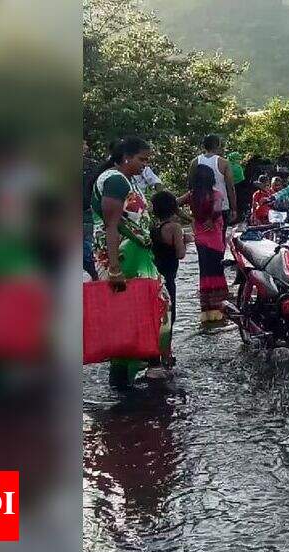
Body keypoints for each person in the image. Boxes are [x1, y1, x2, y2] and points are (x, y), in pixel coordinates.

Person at [89, 136, 172, 387]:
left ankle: (142, 366)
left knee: (143, 309)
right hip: (123, 256)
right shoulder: (114, 180)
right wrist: (114, 269)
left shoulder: (123, 180)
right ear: (126, 157)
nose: (144, 166)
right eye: (141, 160)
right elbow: (111, 226)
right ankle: (129, 373)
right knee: (136, 310)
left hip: (135, 254)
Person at [178, 165, 229, 323]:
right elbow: (217, 211)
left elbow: (174, 204)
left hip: (200, 238)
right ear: (211, 179)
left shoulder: (192, 195)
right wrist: (210, 220)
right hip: (214, 238)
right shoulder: (216, 195)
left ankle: (206, 309)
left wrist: (189, 219)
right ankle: (220, 308)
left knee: (204, 271)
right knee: (217, 270)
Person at [149, 191, 186, 358]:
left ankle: (153, 351)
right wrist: (186, 240)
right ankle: (166, 354)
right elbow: (180, 254)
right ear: (173, 208)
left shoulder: (153, 227)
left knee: (154, 315)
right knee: (169, 316)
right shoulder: (174, 227)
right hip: (169, 277)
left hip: (153, 276)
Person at [187, 134, 238, 228]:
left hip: (201, 206)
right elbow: (230, 188)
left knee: (202, 236)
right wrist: (234, 209)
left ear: (203, 146)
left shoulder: (195, 162)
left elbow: (190, 185)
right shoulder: (224, 163)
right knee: (220, 237)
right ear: (218, 145)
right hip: (221, 207)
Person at [83, 141, 100, 280]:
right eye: (84, 144)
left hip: (87, 214)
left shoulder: (92, 166)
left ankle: (95, 276)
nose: (87, 147)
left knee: (86, 251)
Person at [227, 151, 251, 224]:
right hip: (238, 188)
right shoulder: (238, 167)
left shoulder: (226, 165)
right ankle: (237, 218)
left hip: (227, 188)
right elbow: (242, 179)